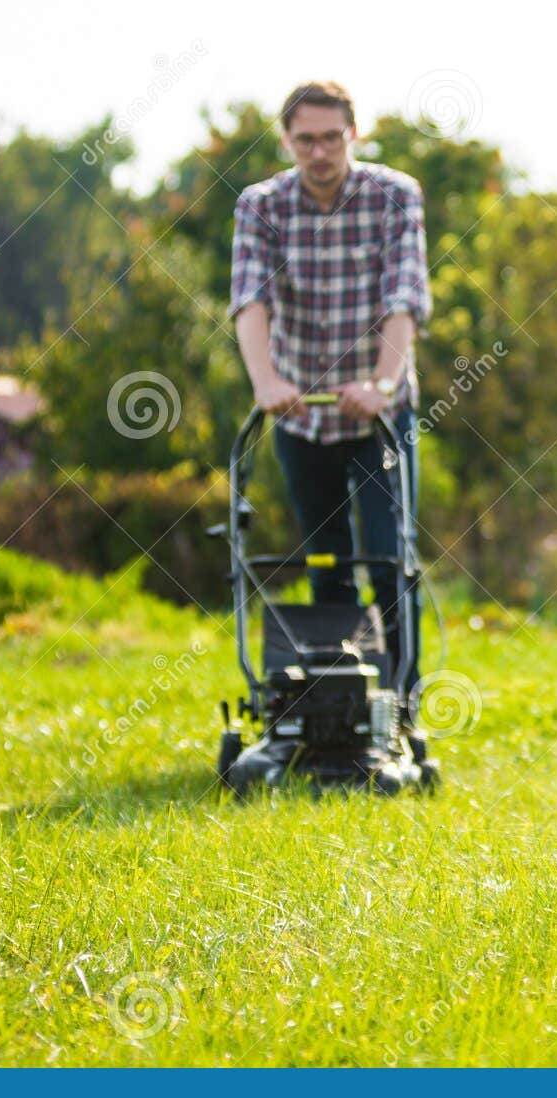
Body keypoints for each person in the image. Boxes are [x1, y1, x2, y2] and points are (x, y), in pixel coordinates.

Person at [228, 79, 431, 717]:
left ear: (353, 133)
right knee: (325, 560)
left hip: (379, 417)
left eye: (330, 137)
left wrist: (382, 383)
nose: (318, 152)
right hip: (298, 412)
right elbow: (249, 300)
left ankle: (400, 703)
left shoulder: (395, 195)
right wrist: (265, 382)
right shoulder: (261, 205)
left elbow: (405, 298)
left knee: (388, 558)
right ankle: (337, 703)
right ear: (287, 141)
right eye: (305, 140)